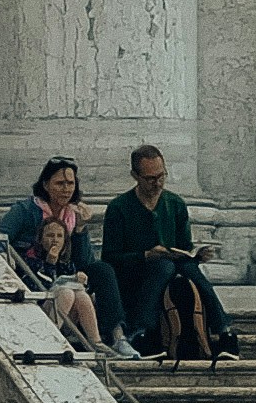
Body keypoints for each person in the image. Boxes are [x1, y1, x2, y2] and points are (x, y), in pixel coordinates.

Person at [100, 144, 242, 366]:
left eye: (161, 176)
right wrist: (145, 255)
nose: (157, 183)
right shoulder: (119, 207)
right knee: (163, 266)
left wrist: (197, 255)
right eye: (149, 178)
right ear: (134, 176)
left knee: (187, 267)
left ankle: (224, 331)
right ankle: (140, 331)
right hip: (133, 276)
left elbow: (184, 246)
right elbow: (109, 258)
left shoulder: (175, 204)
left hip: (172, 268)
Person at [1, 157, 138, 360]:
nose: (66, 189)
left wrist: (81, 228)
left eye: (70, 184)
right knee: (66, 293)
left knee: (102, 270)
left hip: (64, 273)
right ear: (46, 185)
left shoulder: (72, 215)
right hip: (31, 275)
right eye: (60, 183)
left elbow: (85, 261)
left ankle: (116, 337)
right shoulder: (25, 211)